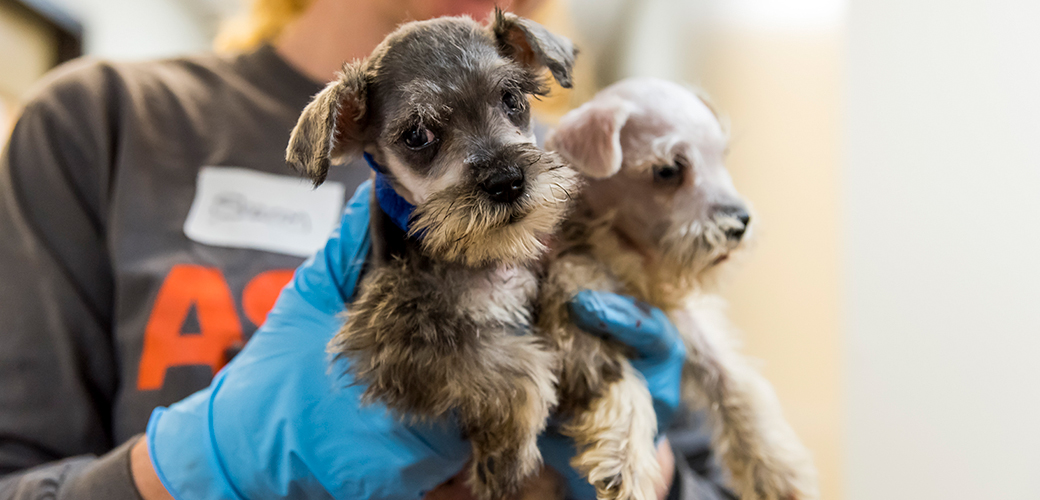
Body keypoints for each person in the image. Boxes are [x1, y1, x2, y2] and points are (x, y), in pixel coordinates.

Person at [0, 0, 733, 498]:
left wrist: (648, 468)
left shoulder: (595, 169)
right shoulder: (104, 125)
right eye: (420, 137)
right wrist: (199, 464)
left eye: (513, 105)